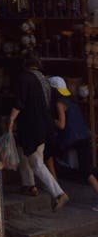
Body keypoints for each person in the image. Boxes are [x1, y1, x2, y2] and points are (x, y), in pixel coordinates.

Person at [8, 53, 69, 211]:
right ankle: (29, 185)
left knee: (36, 162)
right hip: (44, 127)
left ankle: (59, 194)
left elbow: (19, 102)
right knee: (23, 153)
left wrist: (11, 120)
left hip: (32, 128)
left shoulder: (24, 78)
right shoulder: (45, 80)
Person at [48, 75, 98, 209]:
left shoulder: (59, 103)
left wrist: (51, 121)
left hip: (72, 139)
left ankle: (57, 190)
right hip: (83, 138)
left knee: (49, 154)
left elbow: (62, 125)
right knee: (87, 171)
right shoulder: (72, 101)